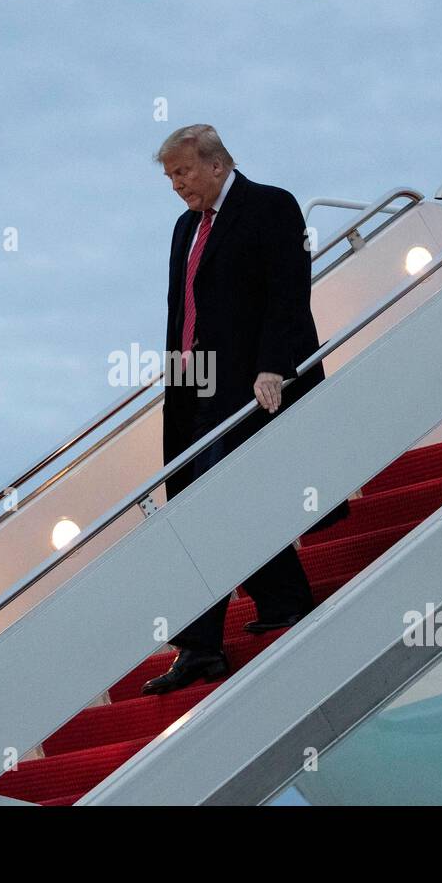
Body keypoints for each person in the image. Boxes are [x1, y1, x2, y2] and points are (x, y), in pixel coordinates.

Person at [142, 124, 347, 696]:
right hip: (193, 385)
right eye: (170, 177)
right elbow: (183, 309)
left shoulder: (270, 206)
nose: (177, 185)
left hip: (248, 383)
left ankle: (202, 647)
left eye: (182, 172)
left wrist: (273, 366)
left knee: (214, 507)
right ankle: (284, 599)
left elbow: (289, 291)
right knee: (210, 502)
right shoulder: (186, 226)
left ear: (215, 164)